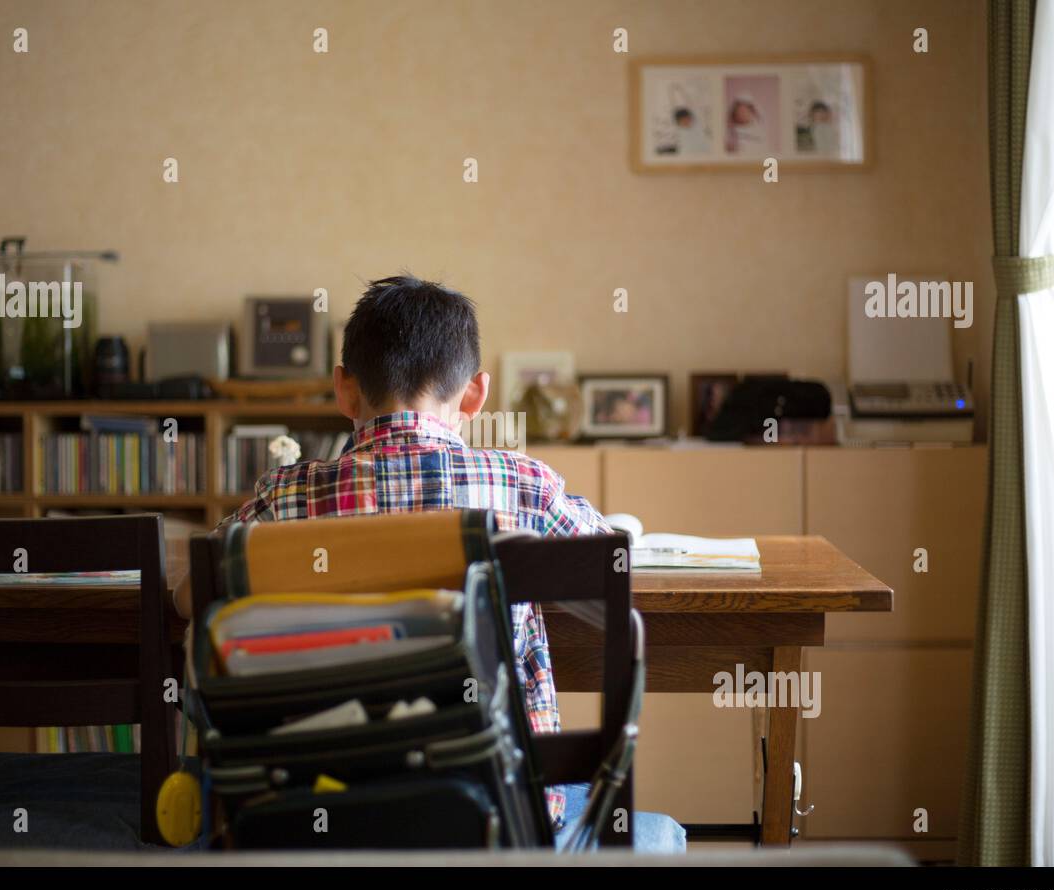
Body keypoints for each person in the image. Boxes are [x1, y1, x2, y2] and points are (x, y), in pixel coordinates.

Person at [182, 275, 685, 853]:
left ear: (344, 391)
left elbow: (200, 579)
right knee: (660, 831)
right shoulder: (521, 486)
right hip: (498, 808)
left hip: (326, 807)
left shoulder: (285, 497)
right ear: (475, 395)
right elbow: (609, 564)